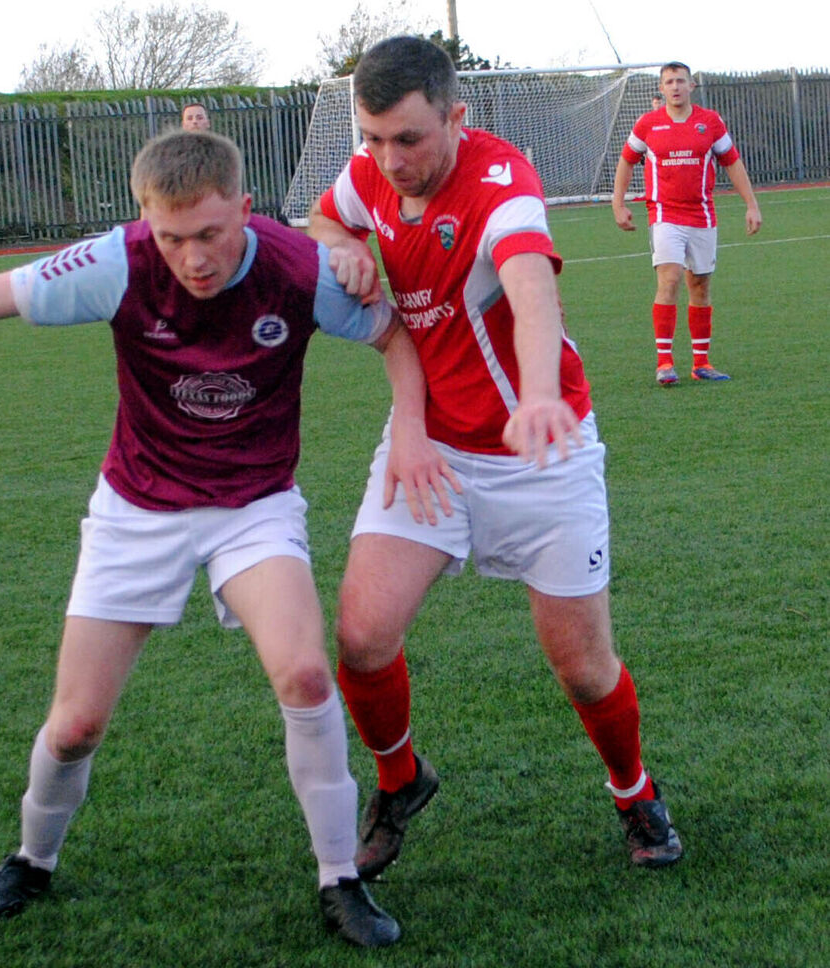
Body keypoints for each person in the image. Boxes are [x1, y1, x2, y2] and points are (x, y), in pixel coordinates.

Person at [0, 130, 443, 947]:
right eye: (171, 237)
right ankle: (33, 859)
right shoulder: (117, 262)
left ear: (244, 211)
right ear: (143, 221)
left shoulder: (297, 268)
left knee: (308, 677)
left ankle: (338, 879)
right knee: (75, 726)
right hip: (135, 508)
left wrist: (412, 430)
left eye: (210, 234)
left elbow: (395, 336)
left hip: (253, 506)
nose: (193, 259)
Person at [308, 36, 682, 877]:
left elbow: (529, 283)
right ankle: (400, 781)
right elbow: (328, 213)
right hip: (431, 448)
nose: (388, 160)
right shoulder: (369, 174)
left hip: (540, 449)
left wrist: (541, 388)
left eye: (409, 139)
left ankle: (633, 789)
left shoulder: (499, 179)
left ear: (455, 117)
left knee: (583, 671)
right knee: (361, 637)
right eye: (372, 139)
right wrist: (342, 242)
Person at [613, 61, 762, 386]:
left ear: (691, 86)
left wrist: (751, 205)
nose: (675, 86)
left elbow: (732, 163)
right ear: (662, 88)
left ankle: (701, 363)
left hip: (703, 216)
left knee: (700, 285)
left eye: (681, 80)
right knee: (669, 280)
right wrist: (618, 203)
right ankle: (664, 363)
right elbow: (626, 161)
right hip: (664, 215)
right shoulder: (648, 124)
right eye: (669, 81)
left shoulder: (709, 122)